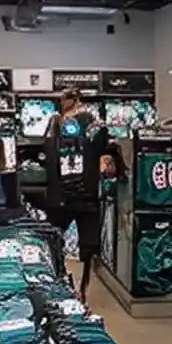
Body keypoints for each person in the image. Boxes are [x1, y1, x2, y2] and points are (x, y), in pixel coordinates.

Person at [43, 88, 111, 300]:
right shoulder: (92, 124)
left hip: (59, 196)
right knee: (87, 249)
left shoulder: (53, 126)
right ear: (79, 102)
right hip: (87, 195)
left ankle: (58, 284)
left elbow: (46, 158)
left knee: (54, 241)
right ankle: (81, 292)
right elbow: (106, 149)